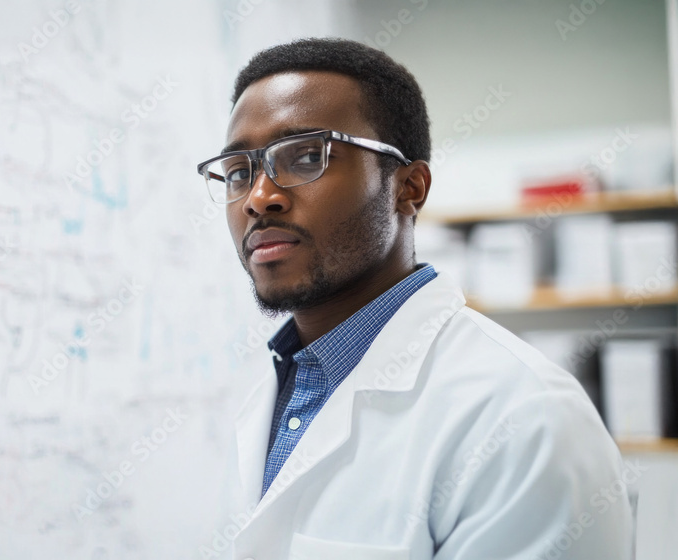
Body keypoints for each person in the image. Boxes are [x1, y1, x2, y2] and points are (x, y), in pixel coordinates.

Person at [195, 38, 635, 560]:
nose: (259, 197)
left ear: (409, 187)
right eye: (240, 172)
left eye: (307, 156)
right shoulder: (277, 392)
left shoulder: (528, 419)